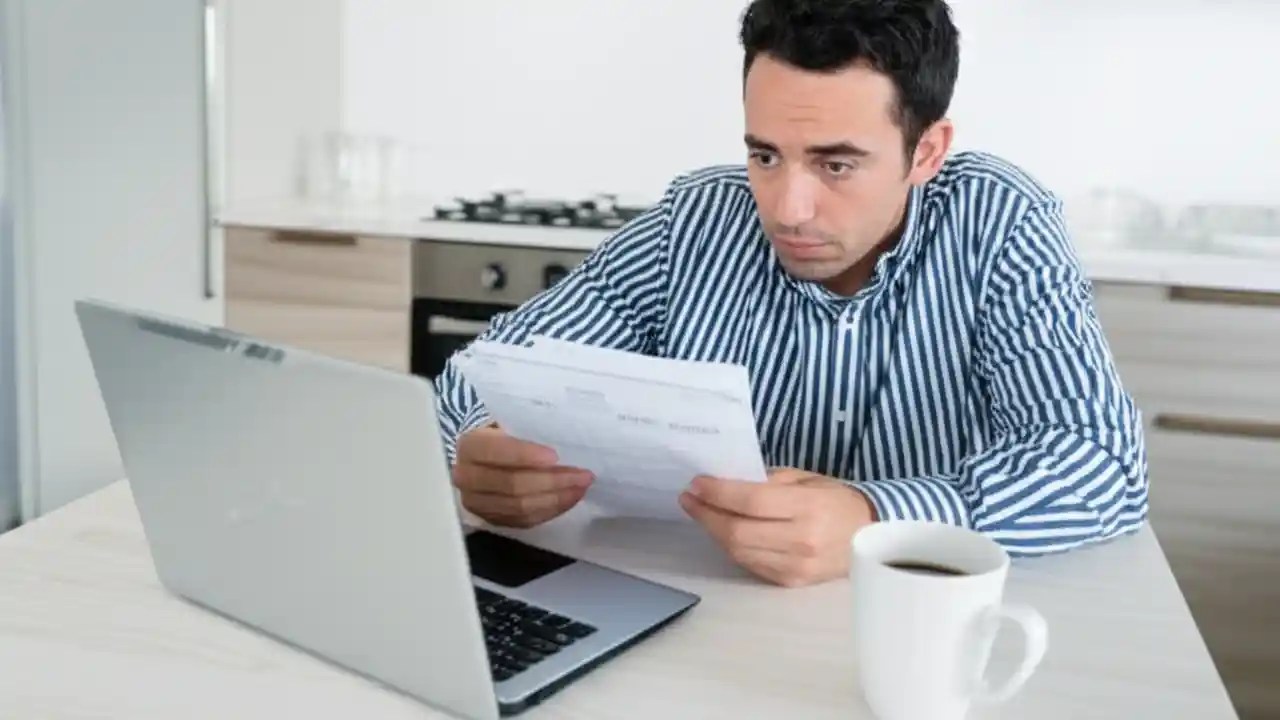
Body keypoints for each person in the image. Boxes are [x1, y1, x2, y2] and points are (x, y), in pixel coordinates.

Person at [434, 0, 1149, 588]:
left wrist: (876, 518)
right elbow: (480, 376)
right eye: (765, 155)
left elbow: (1101, 465)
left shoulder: (999, 222)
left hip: (916, 633)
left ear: (926, 151)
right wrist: (477, 445)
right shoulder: (695, 221)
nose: (787, 208)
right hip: (700, 622)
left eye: (836, 164)